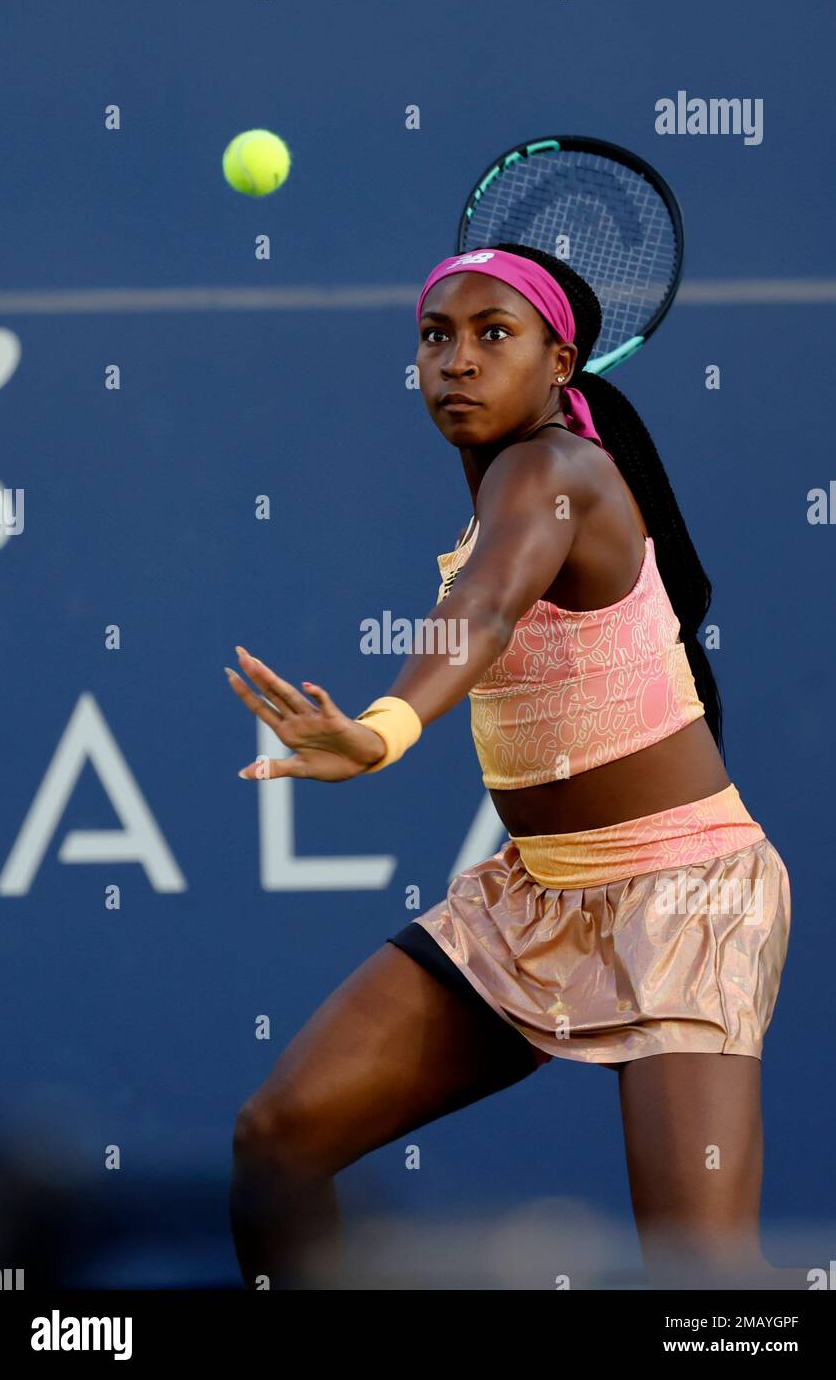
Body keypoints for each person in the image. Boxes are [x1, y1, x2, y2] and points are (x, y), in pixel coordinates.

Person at [225, 244, 796, 1290]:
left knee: (706, 1275)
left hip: (684, 893)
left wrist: (386, 728)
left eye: (495, 335)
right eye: (437, 337)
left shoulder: (554, 470)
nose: (458, 361)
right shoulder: (505, 488)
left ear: (560, 363)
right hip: (535, 896)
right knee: (282, 1136)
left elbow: (483, 610)